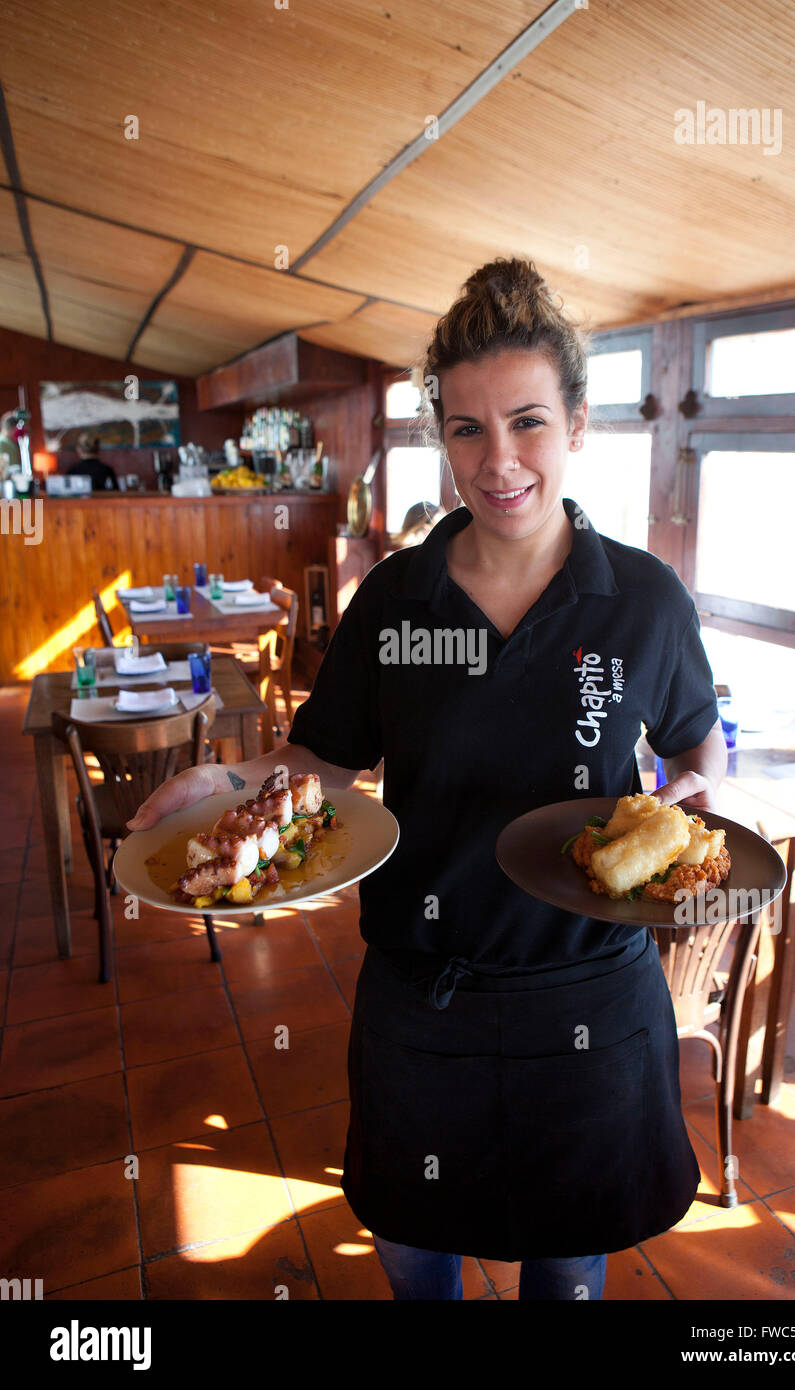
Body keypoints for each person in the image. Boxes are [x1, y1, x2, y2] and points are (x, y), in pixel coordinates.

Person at [126, 256, 727, 1301]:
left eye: (528, 422)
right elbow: (322, 760)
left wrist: (689, 800)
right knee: (413, 1250)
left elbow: (694, 749)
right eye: (465, 428)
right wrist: (225, 787)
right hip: (423, 997)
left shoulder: (642, 600)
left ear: (577, 424)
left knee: (567, 1264)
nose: (498, 462)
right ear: (438, 433)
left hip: (586, 996)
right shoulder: (394, 602)